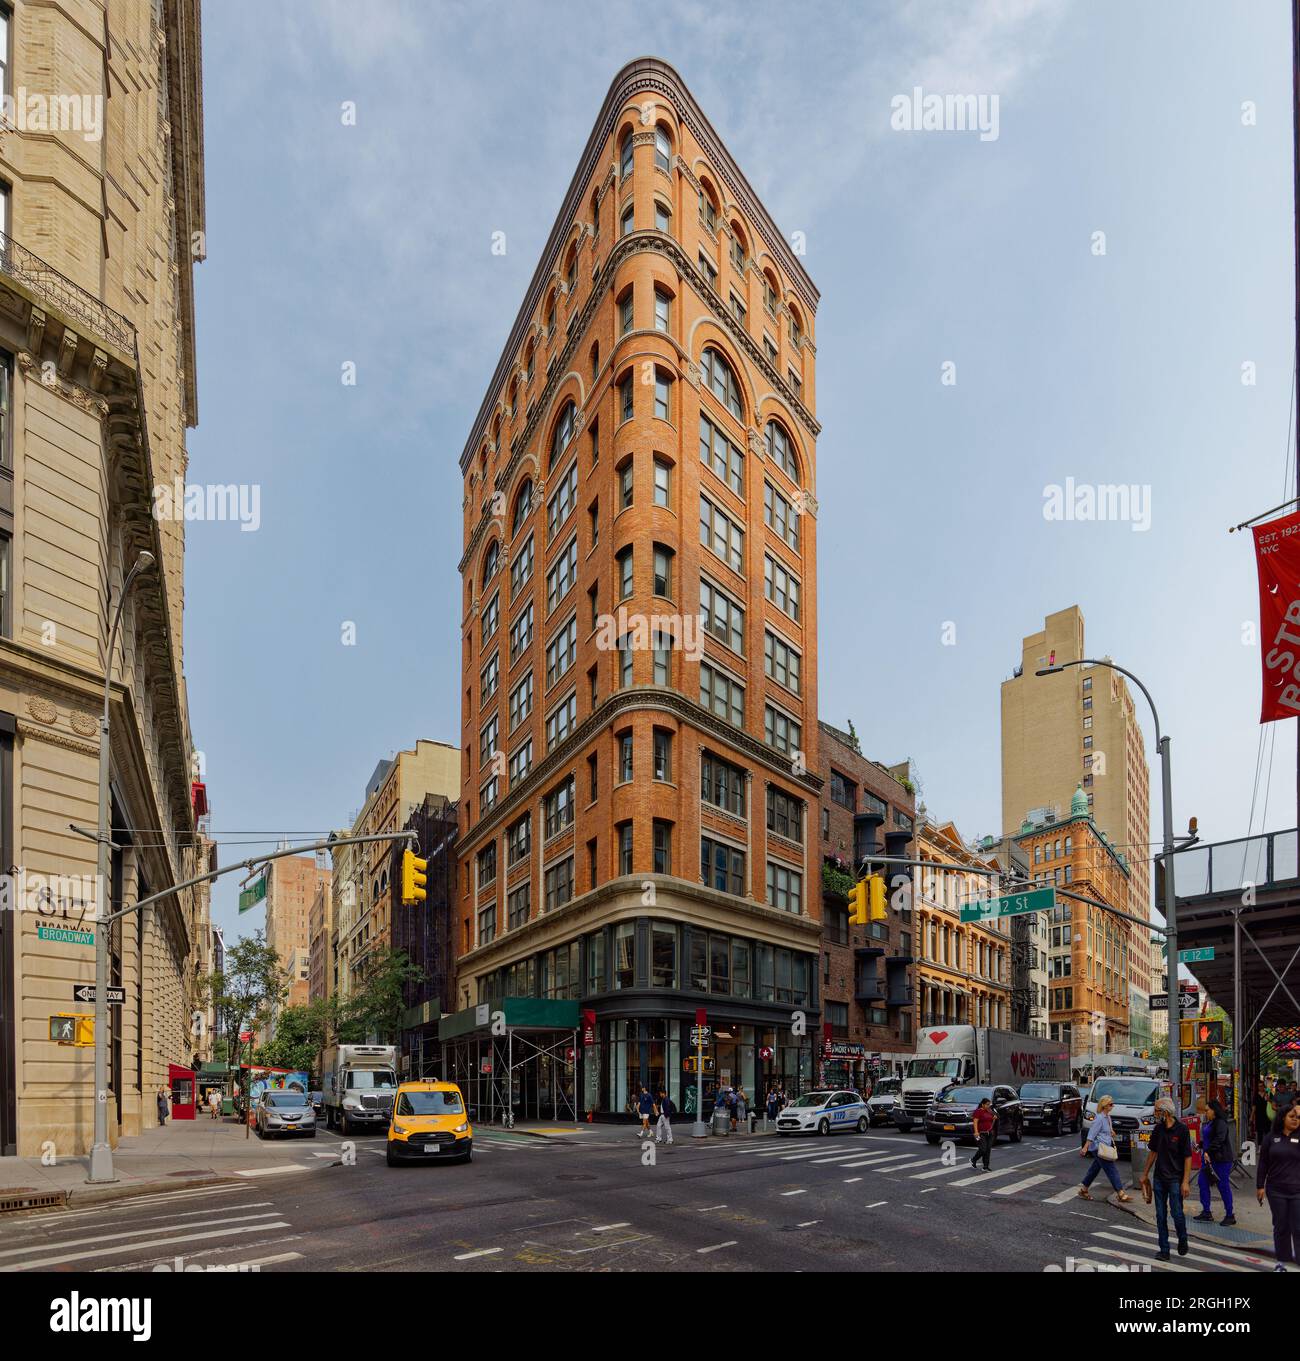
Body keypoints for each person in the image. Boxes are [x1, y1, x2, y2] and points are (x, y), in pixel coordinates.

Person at [1140, 1096, 1192, 1262]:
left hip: (1175, 1179)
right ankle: (1164, 1250)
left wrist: (1185, 1181)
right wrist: (1145, 1173)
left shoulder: (1182, 1130)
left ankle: (1182, 1239)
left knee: (1177, 1213)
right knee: (1160, 1215)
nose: (1155, 1113)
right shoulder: (1158, 1129)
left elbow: (1188, 1157)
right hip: (1159, 1178)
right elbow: (1153, 1152)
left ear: (1165, 1112)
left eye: (1157, 1110)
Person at [1257, 1103, 1300, 1273]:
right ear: (1282, 1118)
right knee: (1281, 1226)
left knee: (1298, 1227)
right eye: (1292, 1117)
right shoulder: (1270, 1137)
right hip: (1276, 1190)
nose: (1295, 1120)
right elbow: (1263, 1164)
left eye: (1297, 1117)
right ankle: (1282, 1262)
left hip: (1297, 1190)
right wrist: (1260, 1186)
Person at [1078, 1094, 1132, 1203]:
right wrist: (1085, 1147)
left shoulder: (1108, 1117)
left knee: (1095, 1169)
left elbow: (1106, 1130)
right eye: (1111, 1104)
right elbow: (1092, 1134)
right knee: (1111, 1169)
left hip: (1105, 1146)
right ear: (1105, 1106)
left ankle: (1084, 1189)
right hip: (1099, 1147)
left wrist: (1111, 1132)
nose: (1113, 1106)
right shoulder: (1099, 1118)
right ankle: (1120, 1193)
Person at [1193, 1097, 1236, 1226]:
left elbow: (1220, 1139)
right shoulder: (1211, 1123)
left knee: (1223, 1186)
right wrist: (1200, 1145)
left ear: (1214, 1110)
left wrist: (1208, 1151)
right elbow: (1209, 1138)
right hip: (1209, 1158)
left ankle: (1230, 1214)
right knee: (1202, 1183)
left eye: (1207, 1110)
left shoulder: (1220, 1123)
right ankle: (1206, 1211)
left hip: (1220, 1159)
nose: (1206, 1113)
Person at [969, 1097, 996, 1172]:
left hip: (990, 1133)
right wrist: (976, 1132)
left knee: (988, 1150)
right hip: (981, 1133)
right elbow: (975, 1122)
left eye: (989, 1104)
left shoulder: (990, 1111)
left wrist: (994, 1118)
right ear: (982, 1104)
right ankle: (973, 1159)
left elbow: (992, 1122)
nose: (988, 1106)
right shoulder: (978, 1111)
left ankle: (985, 1166)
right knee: (983, 1149)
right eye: (987, 1104)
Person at [1255, 1080, 1272, 1148]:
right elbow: (1254, 1106)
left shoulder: (1268, 1093)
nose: (1260, 1087)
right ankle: (1259, 1146)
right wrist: (1251, 1116)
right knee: (1259, 1131)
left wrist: (1269, 1100)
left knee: (1267, 1130)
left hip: (1267, 1115)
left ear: (1264, 1086)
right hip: (1259, 1115)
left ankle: (1267, 1145)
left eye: (1262, 1086)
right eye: (1259, 1086)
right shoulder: (1256, 1095)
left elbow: (1273, 1103)